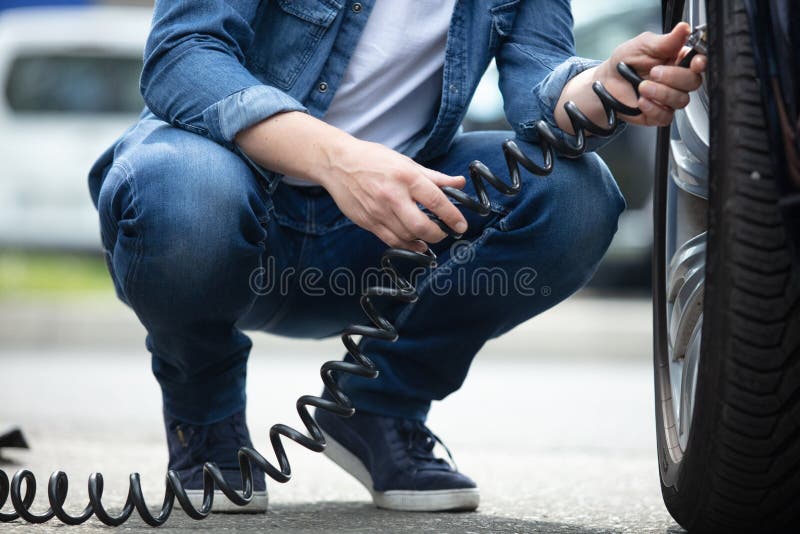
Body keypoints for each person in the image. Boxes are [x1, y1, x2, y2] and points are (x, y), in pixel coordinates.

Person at [88, 0, 706, 514]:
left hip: (388, 239)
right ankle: (204, 418)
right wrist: (339, 160)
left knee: (574, 197)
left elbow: (538, 83)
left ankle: (379, 408)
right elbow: (182, 55)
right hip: (226, 211)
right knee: (182, 189)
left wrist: (603, 86)